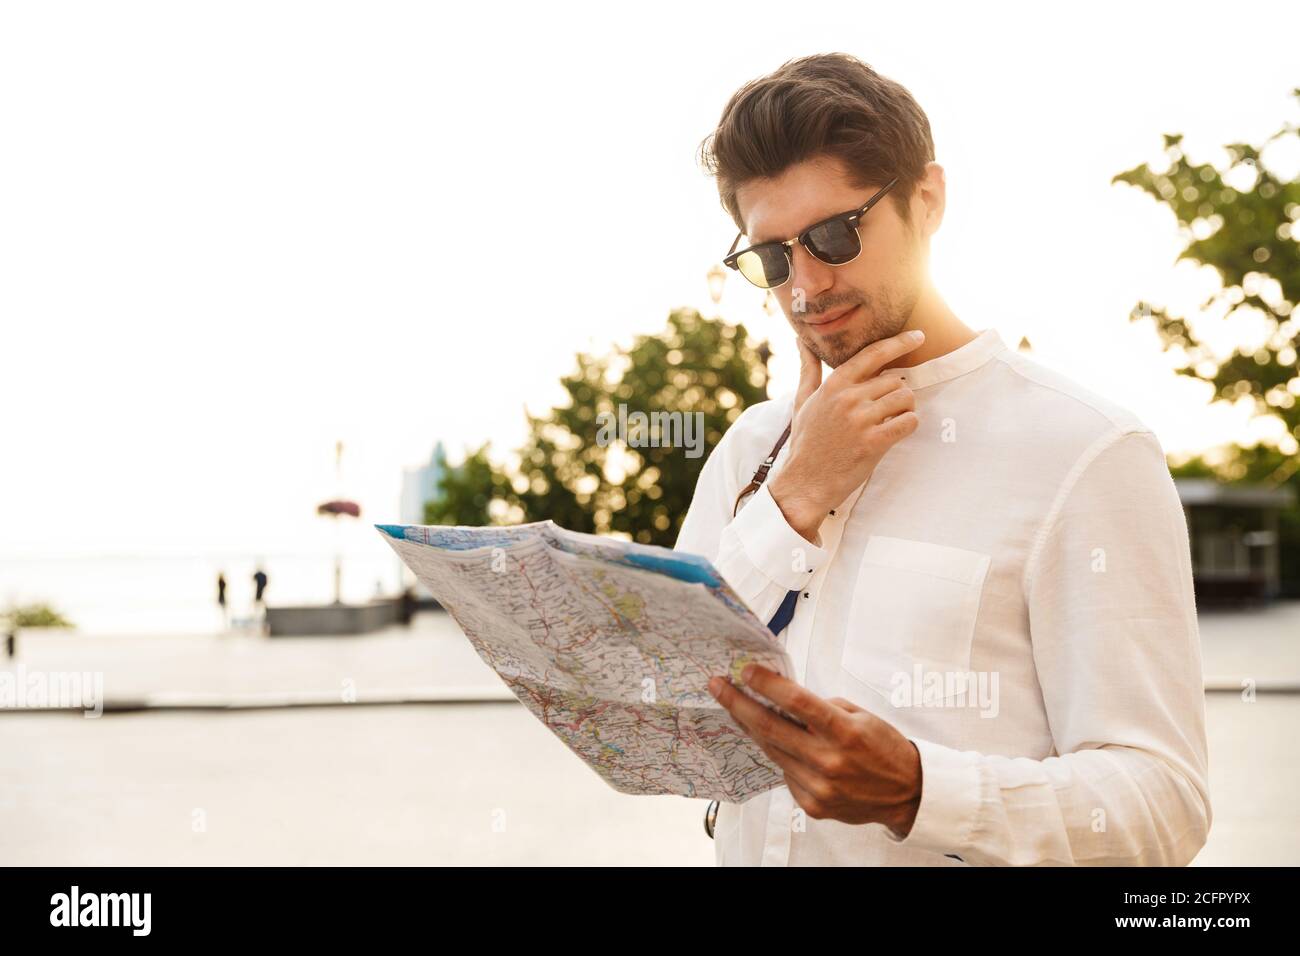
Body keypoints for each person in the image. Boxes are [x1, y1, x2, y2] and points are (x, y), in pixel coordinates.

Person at [678, 53, 1210, 867]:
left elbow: (1163, 805)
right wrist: (793, 496)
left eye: (833, 234)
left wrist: (920, 793)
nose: (807, 287)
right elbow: (664, 715)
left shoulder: (1088, 453)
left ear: (926, 201)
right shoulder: (753, 450)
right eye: (774, 257)